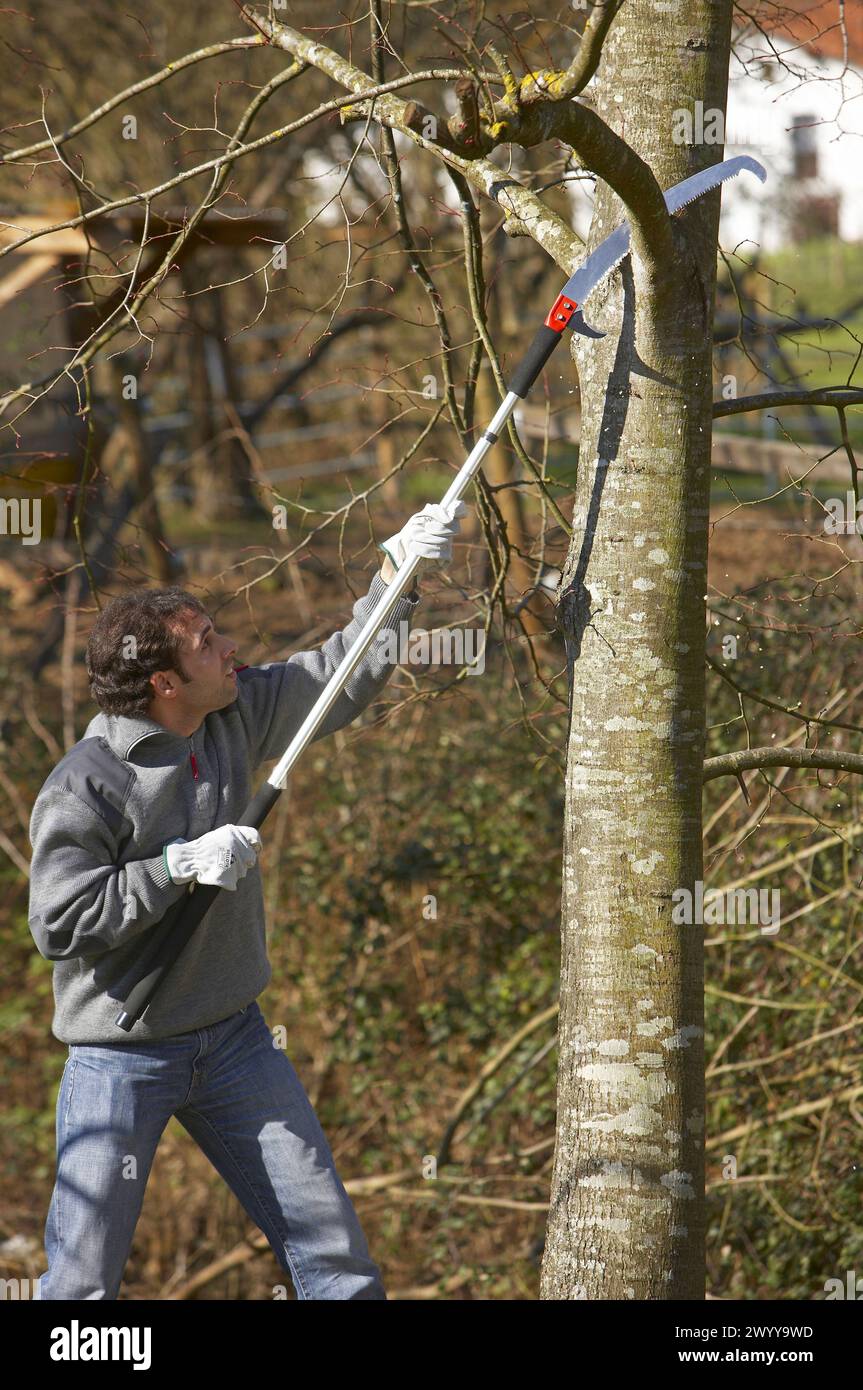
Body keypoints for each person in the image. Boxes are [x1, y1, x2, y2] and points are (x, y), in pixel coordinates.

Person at [28, 501, 466, 1301]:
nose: (232, 647)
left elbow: (340, 675)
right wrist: (174, 868)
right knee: (81, 1286)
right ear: (164, 682)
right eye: (207, 644)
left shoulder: (230, 714)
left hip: (234, 1041)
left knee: (335, 1261)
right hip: (121, 1056)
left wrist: (398, 578)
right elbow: (59, 924)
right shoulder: (86, 787)